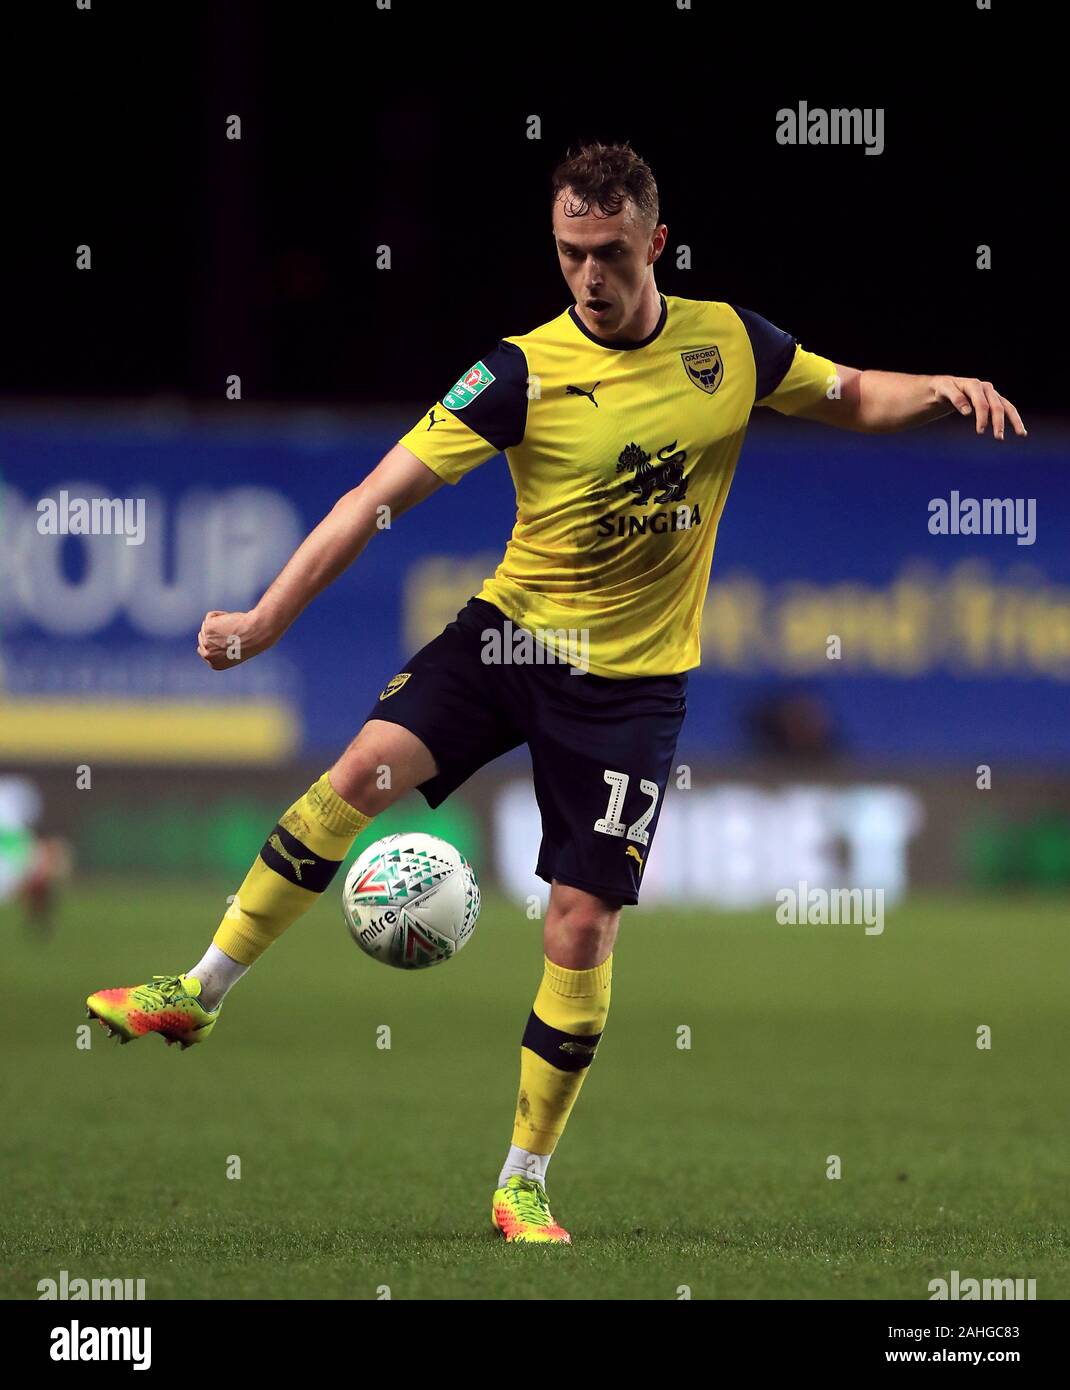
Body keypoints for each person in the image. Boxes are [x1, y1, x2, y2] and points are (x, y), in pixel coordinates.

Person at [86, 140, 1026, 1244]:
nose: (587, 274)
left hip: (629, 690)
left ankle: (519, 1181)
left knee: (578, 929)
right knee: (354, 772)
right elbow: (369, 495)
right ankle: (198, 991)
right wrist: (262, 621)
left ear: (653, 244)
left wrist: (938, 389)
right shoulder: (517, 372)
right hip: (511, 641)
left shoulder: (725, 343)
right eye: (569, 251)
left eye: (609, 252)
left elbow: (852, 393)